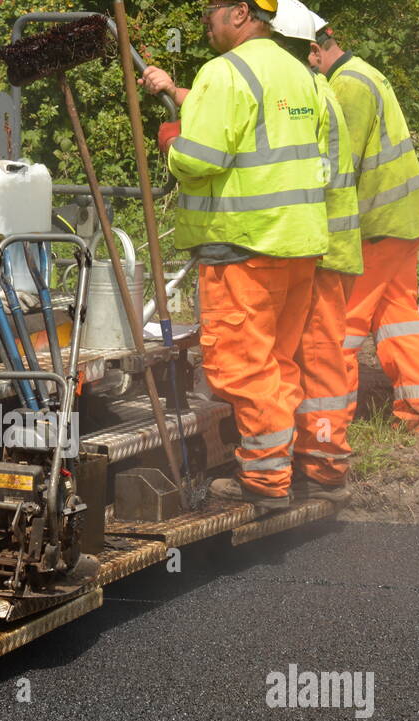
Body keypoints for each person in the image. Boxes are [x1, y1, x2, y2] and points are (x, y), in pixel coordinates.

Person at [143, 0, 328, 512]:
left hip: (242, 245)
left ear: (242, 12)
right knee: (278, 361)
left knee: (240, 366)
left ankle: (266, 484)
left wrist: (171, 142)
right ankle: (281, 469)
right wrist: (178, 94)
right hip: (297, 243)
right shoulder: (301, 74)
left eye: (213, 10)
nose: (206, 18)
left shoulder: (223, 72)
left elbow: (202, 157)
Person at [308, 14, 419, 432]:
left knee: (341, 326)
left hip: (378, 224)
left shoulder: (347, 86)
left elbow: (335, 166)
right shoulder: (364, 72)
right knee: (398, 318)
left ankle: (329, 426)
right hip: (404, 219)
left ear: (315, 50)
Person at [270, 0, 362, 499]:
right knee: (314, 357)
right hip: (321, 245)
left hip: (316, 248)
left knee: (315, 356)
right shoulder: (319, 92)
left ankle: (319, 463)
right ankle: (315, 458)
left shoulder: (307, 96)